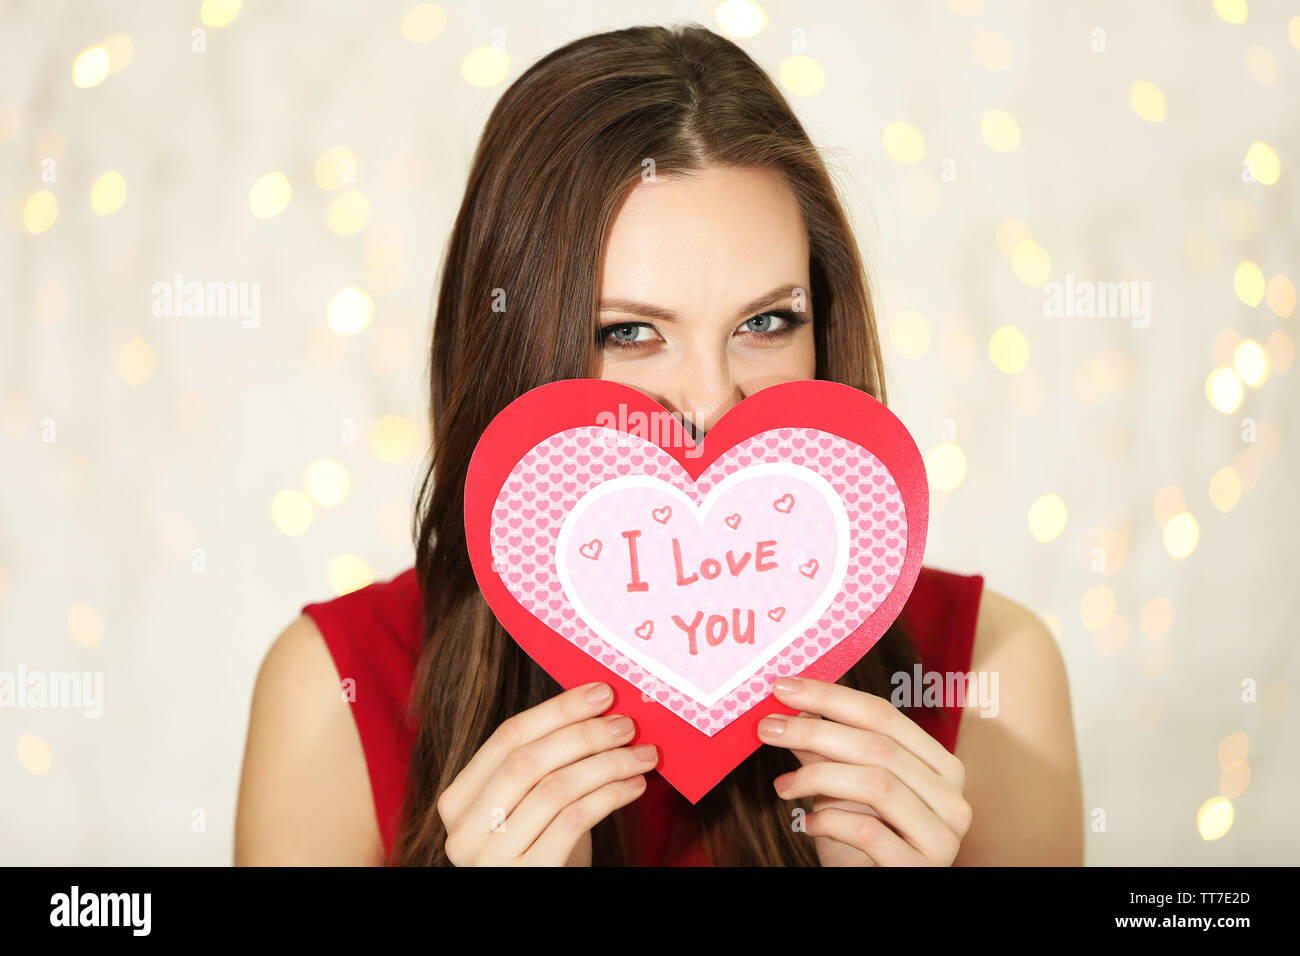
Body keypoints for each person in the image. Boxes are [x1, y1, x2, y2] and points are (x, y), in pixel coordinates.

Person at [235, 23, 1083, 866]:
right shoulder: (335, 693)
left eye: (766, 321)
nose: (711, 401)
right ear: (514, 344)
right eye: (632, 331)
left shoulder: (988, 681)